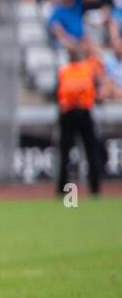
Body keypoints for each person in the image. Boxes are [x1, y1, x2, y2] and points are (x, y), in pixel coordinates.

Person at [55, 44, 119, 196]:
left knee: (66, 152)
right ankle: (95, 188)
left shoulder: (64, 71)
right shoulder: (88, 70)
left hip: (68, 113)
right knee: (91, 150)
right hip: (84, 112)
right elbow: (97, 91)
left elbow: (57, 93)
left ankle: (63, 188)